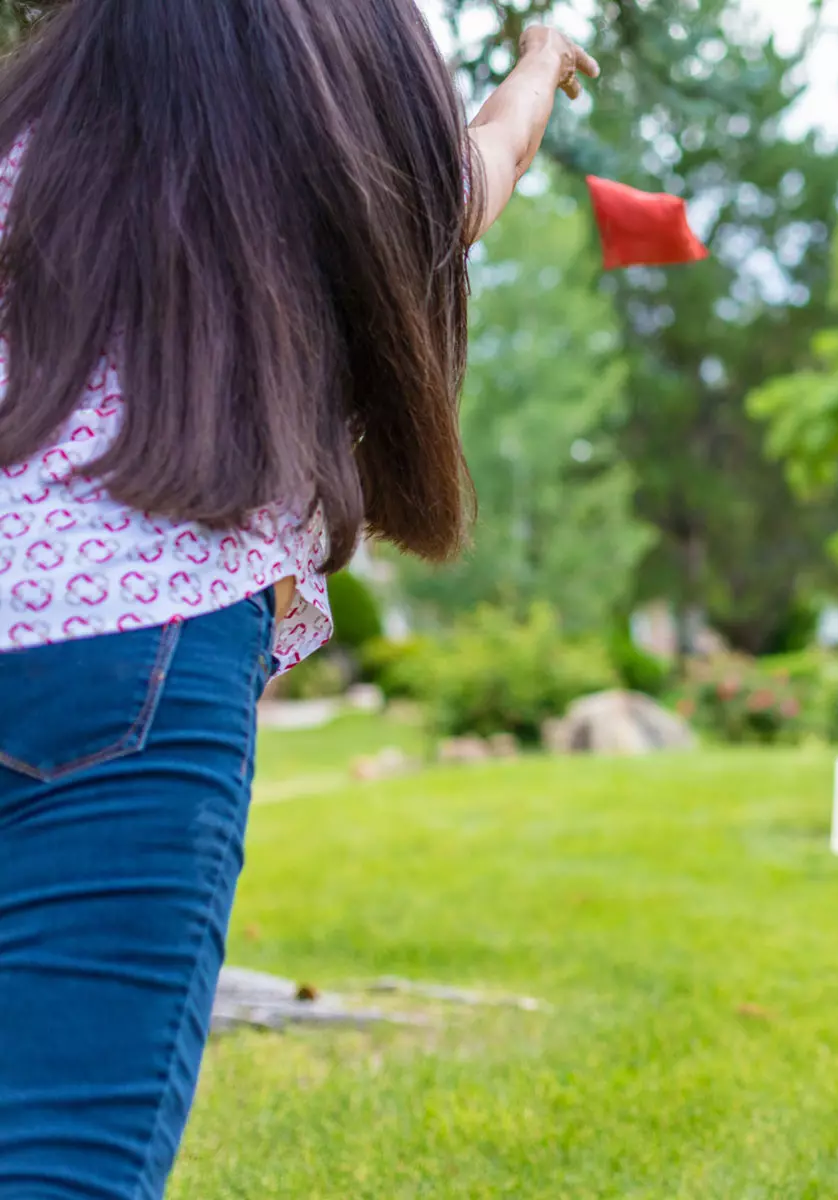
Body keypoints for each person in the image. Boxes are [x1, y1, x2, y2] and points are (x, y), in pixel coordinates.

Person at [0, 3, 597, 1195]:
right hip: (130, 640)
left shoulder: (23, 148)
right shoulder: (304, 152)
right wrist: (536, 62)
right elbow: (483, 170)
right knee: (59, 1153)